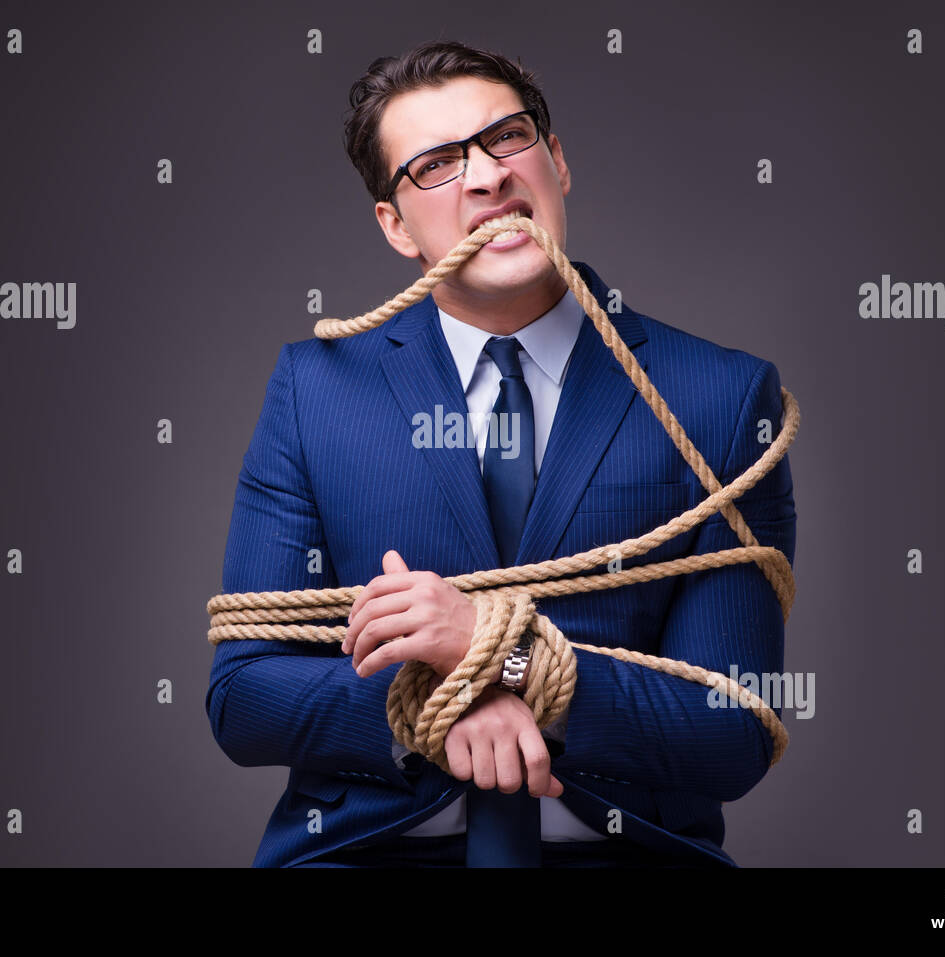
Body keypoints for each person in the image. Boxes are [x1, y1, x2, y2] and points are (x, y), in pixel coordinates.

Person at [204, 39, 796, 867]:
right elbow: (244, 695)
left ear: (555, 162)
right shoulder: (317, 392)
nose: (486, 177)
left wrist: (508, 658)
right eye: (437, 165)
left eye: (507, 139)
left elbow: (734, 726)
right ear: (395, 225)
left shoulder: (721, 399)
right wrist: (446, 704)